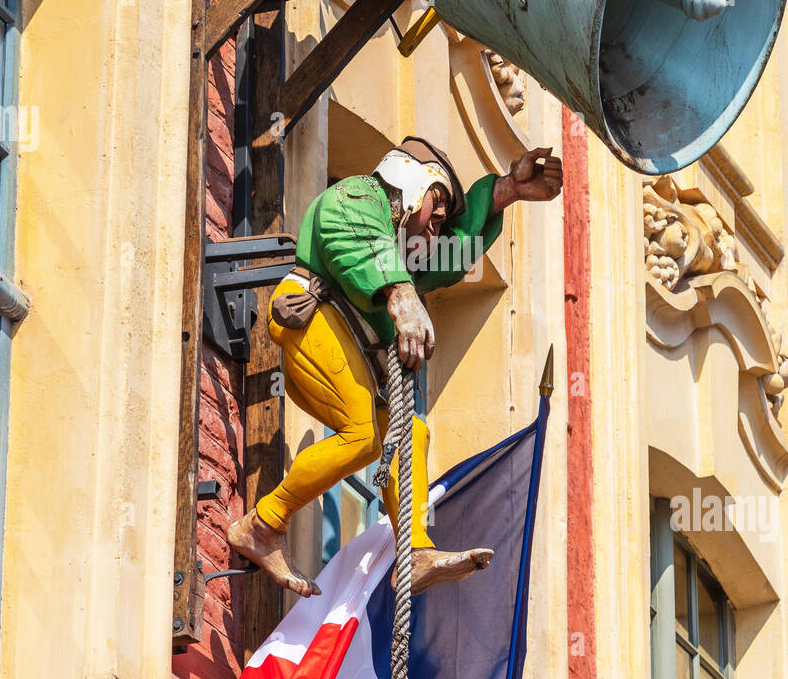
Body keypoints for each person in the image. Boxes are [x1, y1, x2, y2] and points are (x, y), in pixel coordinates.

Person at [227, 136, 562, 595]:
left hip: (347, 348)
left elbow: (453, 255)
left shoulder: (408, 254)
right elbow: (351, 233)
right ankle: (263, 525)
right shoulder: (359, 194)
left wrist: (506, 191)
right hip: (310, 317)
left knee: (412, 433)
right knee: (362, 435)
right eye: (438, 199)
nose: (441, 217)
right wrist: (400, 296)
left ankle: (417, 552)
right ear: (409, 179)